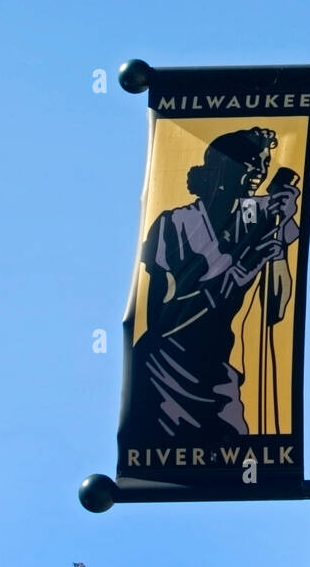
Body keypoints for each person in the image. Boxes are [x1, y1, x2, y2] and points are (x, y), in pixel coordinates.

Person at [121, 127, 300, 444]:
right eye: (252, 162)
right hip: (164, 368)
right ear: (224, 165)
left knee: (233, 448)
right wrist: (240, 271)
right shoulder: (174, 224)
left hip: (220, 371)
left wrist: (279, 236)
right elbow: (162, 318)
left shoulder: (255, 219)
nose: (260, 171)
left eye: (265, 162)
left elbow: (276, 309)